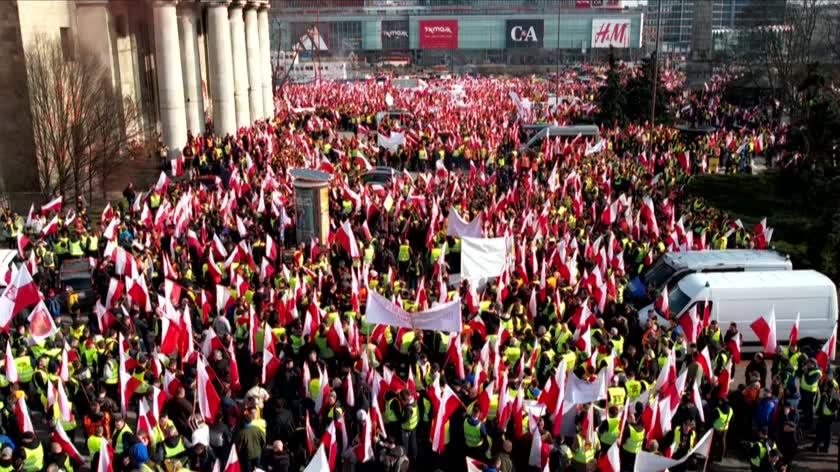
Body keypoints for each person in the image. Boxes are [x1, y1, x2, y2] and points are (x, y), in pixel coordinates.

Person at [812, 383, 838, 453]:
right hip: (831, 416)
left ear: (827, 387)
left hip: (823, 416)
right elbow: (836, 406)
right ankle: (826, 448)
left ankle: (815, 447)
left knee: (819, 432)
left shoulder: (825, 395)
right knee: (828, 433)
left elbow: (821, 407)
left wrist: (818, 414)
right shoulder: (835, 394)